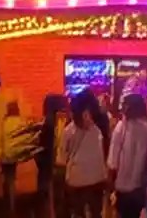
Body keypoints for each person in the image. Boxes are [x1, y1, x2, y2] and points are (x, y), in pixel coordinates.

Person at [63, 90, 108, 218]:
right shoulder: (101, 125)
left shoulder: (69, 130)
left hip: (76, 179)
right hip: (97, 177)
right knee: (96, 212)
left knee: (78, 213)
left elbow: (62, 156)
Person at [107, 93, 147, 218]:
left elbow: (113, 162)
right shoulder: (146, 129)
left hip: (122, 188)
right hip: (139, 187)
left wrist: (110, 187)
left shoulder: (120, 128)